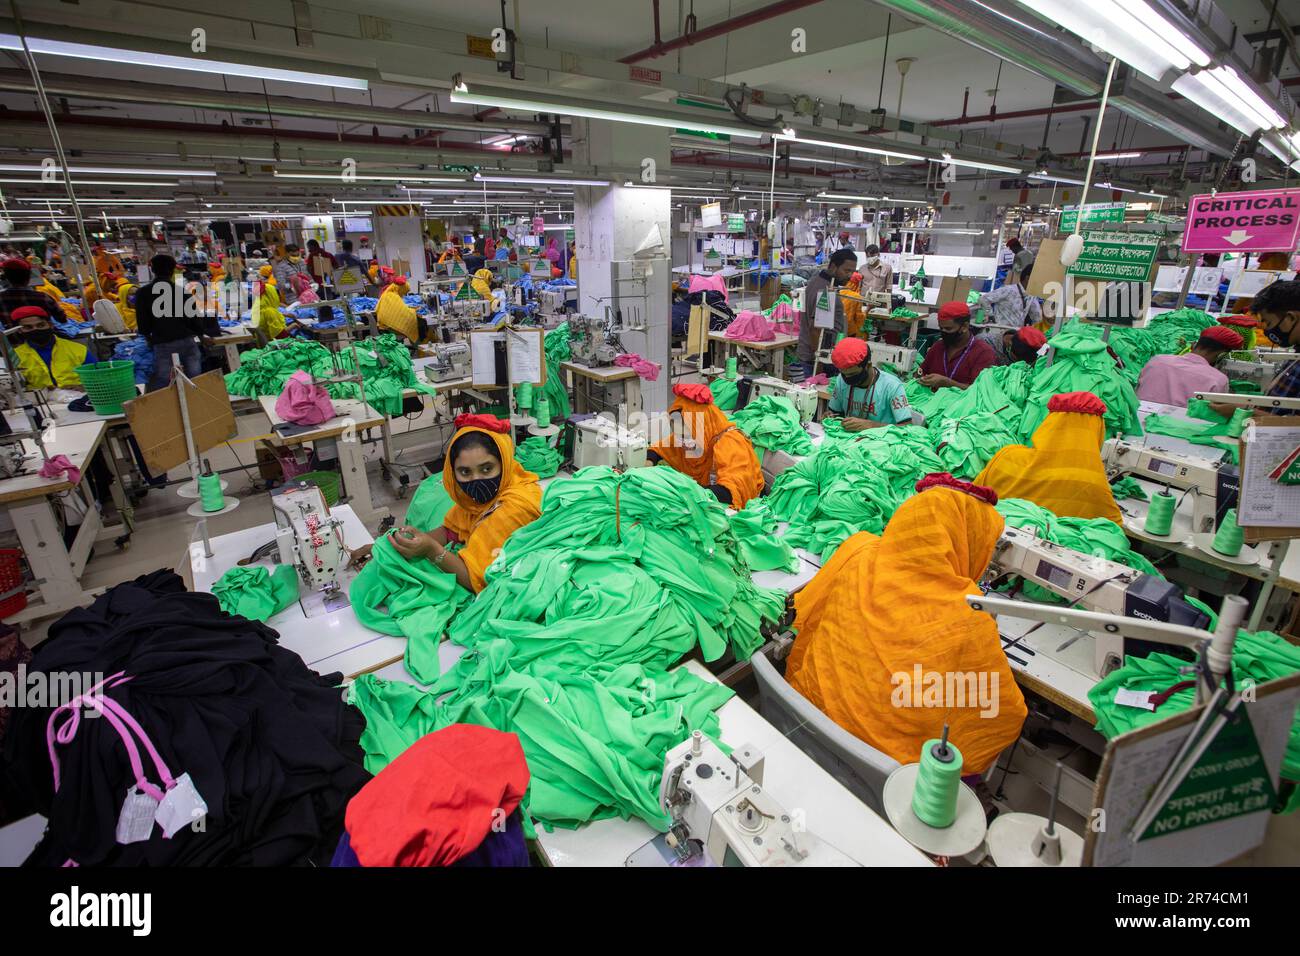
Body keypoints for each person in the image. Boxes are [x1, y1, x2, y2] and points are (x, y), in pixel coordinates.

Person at [785, 473, 1027, 776]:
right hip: (882, 778)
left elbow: (806, 620)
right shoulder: (968, 614)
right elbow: (1000, 720)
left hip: (805, 727)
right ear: (968, 539)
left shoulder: (858, 552)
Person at [349, 415, 542, 593]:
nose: (477, 479)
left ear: (504, 462)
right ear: (452, 473)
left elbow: (477, 581)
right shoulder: (479, 500)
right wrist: (393, 547)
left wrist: (431, 550)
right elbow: (451, 530)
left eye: (487, 468)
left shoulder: (513, 508)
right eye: (465, 472)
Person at [975, 391, 1123, 523]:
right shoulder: (1094, 484)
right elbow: (1113, 528)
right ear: (1097, 430)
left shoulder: (1006, 457)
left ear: (1049, 421)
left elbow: (974, 495)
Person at [648, 383, 763, 508]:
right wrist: (647, 464)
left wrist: (687, 492)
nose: (681, 442)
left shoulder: (732, 444)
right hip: (705, 498)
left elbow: (730, 491)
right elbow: (659, 449)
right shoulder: (689, 436)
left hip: (735, 506)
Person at [134, 254, 207, 391]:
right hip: (186, 340)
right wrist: (201, 335)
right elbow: (194, 318)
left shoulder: (143, 293)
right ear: (173, 270)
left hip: (162, 342)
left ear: (152, 270)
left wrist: (148, 337)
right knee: (195, 377)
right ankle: (197, 406)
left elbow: (142, 323)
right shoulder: (181, 292)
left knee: (164, 380)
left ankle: (166, 409)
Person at [1136, 326, 1242, 407]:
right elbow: (1215, 412)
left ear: (1193, 345)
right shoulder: (1218, 379)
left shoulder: (1157, 360)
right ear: (1221, 355)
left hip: (1135, 419)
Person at [795, 248, 858, 379]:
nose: (850, 275)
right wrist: (818, 363)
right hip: (817, 360)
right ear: (834, 266)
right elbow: (815, 330)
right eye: (846, 270)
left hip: (811, 355)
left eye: (852, 271)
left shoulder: (816, 280)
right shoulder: (826, 292)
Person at [825, 337, 911, 431]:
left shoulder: (892, 386)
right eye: (843, 374)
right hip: (848, 440)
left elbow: (907, 428)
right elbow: (836, 413)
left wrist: (871, 425)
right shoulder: (841, 380)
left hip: (883, 442)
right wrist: (830, 416)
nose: (847, 378)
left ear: (868, 365)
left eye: (852, 374)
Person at [8, 305, 93, 389]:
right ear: (19, 330)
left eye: (41, 325)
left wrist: (83, 387)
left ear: (50, 325)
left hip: (79, 398)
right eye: (28, 327)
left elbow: (97, 378)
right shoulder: (15, 357)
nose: (35, 329)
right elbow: (15, 388)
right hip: (39, 400)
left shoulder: (78, 350)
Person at [917, 301, 997, 390]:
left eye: (948, 329)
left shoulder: (983, 353)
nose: (943, 332)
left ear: (964, 327)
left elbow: (980, 391)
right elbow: (921, 372)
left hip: (964, 403)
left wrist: (948, 383)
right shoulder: (937, 347)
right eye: (941, 328)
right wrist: (919, 376)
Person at [1251, 280, 1300, 415]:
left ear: (1290, 318)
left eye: (1268, 322)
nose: (1268, 330)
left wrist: (1242, 412)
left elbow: (1294, 426)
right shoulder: (1296, 354)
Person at [0, 257, 63, 326]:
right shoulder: (43, 297)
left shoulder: (1, 298)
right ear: (29, 277)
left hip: (12, 336)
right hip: (44, 335)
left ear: (6, 278)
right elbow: (62, 319)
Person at [975, 263, 1041, 328]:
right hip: (999, 331)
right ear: (1027, 278)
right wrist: (991, 316)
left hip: (1016, 333)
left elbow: (1037, 317)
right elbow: (983, 299)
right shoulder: (1008, 290)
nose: (1039, 283)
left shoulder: (1031, 296)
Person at [377, 277, 424, 343]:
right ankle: (419, 345)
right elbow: (404, 312)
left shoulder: (389, 293)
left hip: (385, 326)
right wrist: (414, 311)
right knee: (419, 324)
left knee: (419, 323)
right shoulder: (393, 296)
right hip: (390, 328)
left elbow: (400, 309)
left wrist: (412, 309)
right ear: (401, 289)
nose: (404, 294)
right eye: (404, 292)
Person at [250, 264, 289, 341]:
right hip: (275, 347)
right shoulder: (270, 312)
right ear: (271, 294)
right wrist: (295, 325)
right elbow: (280, 336)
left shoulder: (257, 310)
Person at [976, 324, 1047, 367]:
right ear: (1010, 344)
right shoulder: (983, 344)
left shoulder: (1029, 353)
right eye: (1015, 360)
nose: (1019, 364)